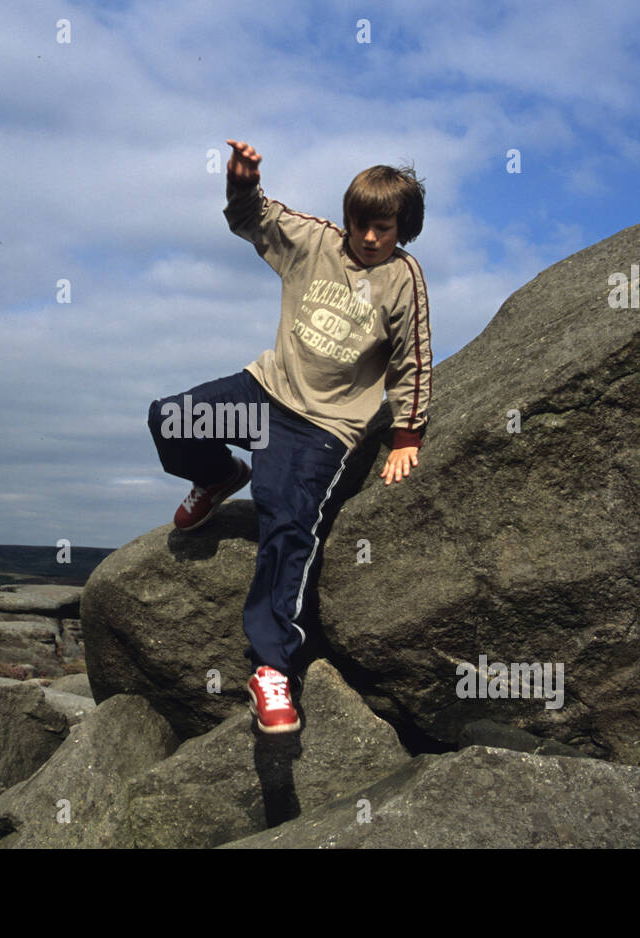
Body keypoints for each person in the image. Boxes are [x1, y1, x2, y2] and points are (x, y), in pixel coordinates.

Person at [147, 138, 431, 733]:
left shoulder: (404, 279)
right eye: (361, 224)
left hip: (323, 428)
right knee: (171, 418)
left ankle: (272, 671)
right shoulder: (316, 241)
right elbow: (253, 220)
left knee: (285, 519)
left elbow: (411, 361)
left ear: (402, 228)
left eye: (382, 227)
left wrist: (407, 435)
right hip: (264, 394)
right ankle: (218, 474)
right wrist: (243, 183)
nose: (369, 238)